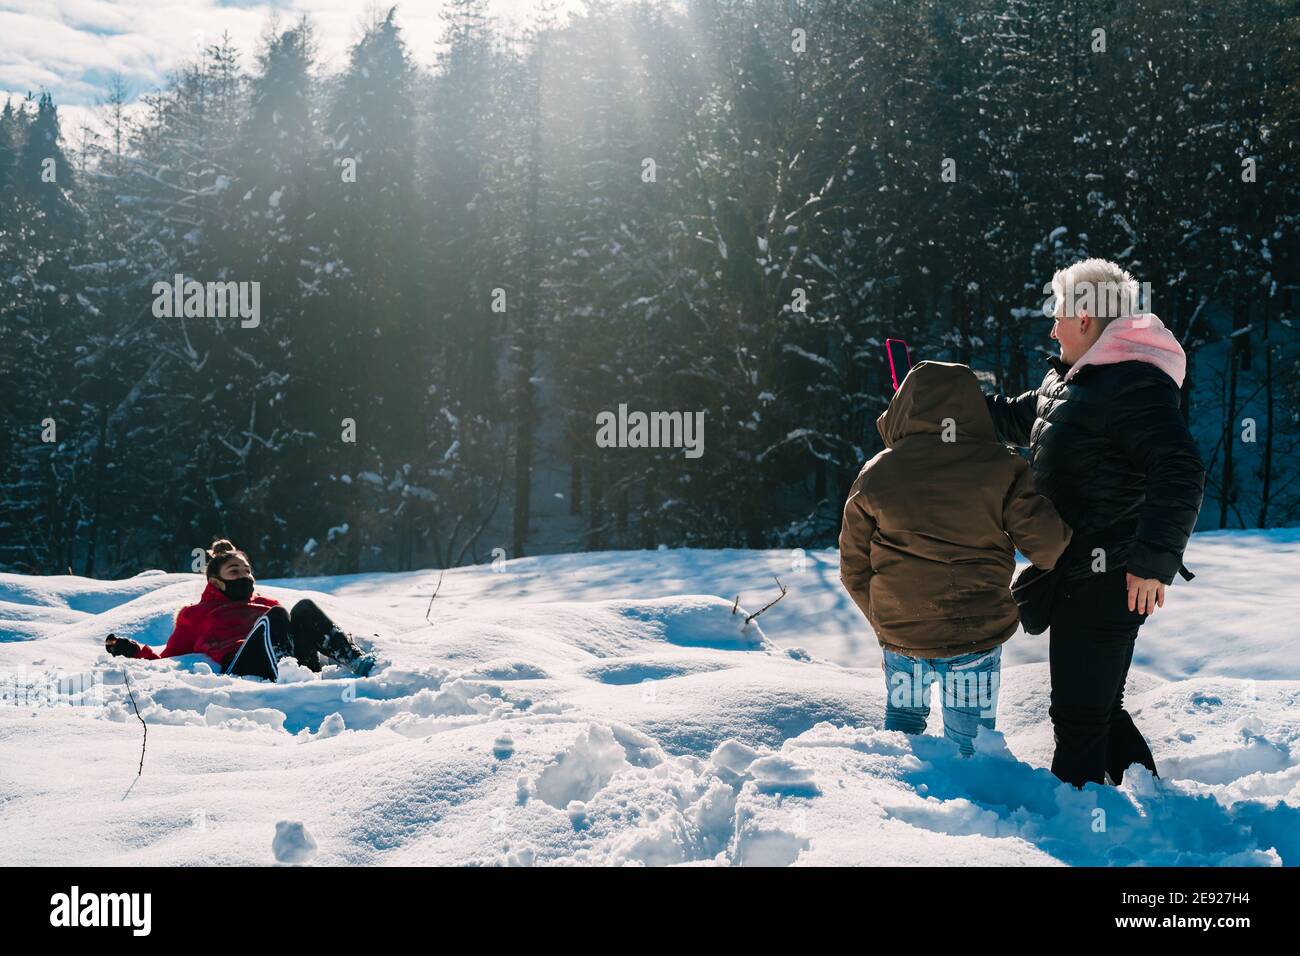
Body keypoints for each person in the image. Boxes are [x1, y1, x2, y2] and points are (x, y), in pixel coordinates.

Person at [985, 258, 1206, 787]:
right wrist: (937, 406)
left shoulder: (1132, 384)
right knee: (1099, 707)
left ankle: (1076, 828)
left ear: (1085, 317)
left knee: (1079, 718)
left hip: (1110, 577)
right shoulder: (1071, 381)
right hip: (1071, 569)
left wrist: (1154, 564)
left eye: (1058, 314)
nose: (1052, 326)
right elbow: (1016, 416)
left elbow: (1180, 468)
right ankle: (1154, 804)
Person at [840, 360, 1072, 755]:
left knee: (901, 741)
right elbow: (1048, 548)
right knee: (972, 751)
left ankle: (894, 808)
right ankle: (974, 812)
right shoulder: (1002, 467)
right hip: (975, 636)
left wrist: (886, 620)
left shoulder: (877, 473)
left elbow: (853, 567)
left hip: (902, 638)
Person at [105, 539, 378, 681]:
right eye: (235, 571)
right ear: (216, 581)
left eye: (247, 571)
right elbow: (168, 659)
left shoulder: (267, 606)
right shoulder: (195, 614)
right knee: (278, 616)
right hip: (243, 665)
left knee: (304, 608)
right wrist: (135, 652)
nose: (245, 577)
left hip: (295, 663)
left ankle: (356, 660)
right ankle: (287, 673)